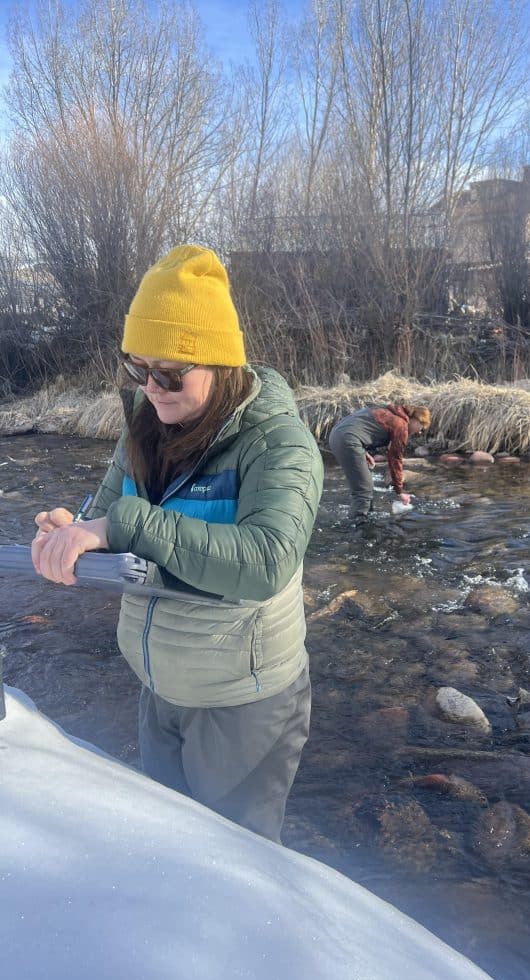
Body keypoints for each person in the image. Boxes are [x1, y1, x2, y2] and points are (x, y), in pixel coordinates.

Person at [31, 244, 324, 843]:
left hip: (244, 703)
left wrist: (122, 525)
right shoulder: (143, 426)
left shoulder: (280, 444)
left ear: (220, 362)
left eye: (168, 373)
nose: (152, 388)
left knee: (234, 866)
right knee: (170, 853)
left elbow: (266, 561)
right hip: (158, 688)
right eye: (138, 369)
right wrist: (73, 532)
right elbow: (107, 517)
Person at [329, 403, 431, 523]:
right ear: (417, 420)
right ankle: (357, 527)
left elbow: (359, 427)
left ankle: (365, 519)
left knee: (366, 487)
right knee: (363, 492)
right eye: (422, 428)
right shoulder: (401, 425)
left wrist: (363, 453)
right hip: (348, 440)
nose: (420, 432)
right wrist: (400, 491)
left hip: (336, 435)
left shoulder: (387, 411)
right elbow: (395, 459)